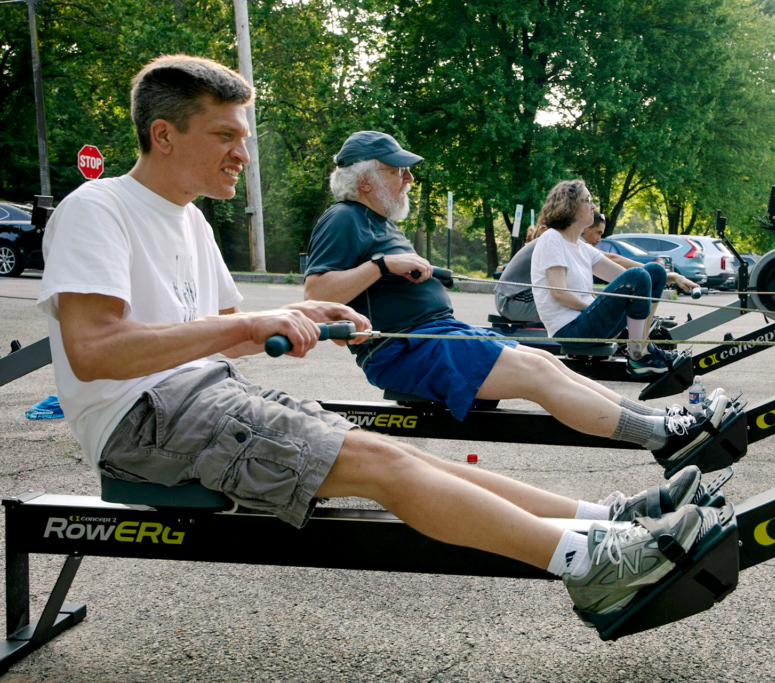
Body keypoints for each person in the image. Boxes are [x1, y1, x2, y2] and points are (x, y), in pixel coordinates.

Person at [36, 55, 726, 625]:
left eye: (242, 136)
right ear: (163, 134)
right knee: (383, 468)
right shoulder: (98, 209)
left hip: (202, 398)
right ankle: (593, 566)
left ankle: (604, 519)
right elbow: (96, 350)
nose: (243, 153)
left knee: (394, 454)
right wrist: (255, 324)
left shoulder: (190, 222)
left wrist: (309, 318)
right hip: (146, 423)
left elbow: (224, 338)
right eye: (225, 136)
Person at [304, 132, 723, 471]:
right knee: (534, 375)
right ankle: (665, 438)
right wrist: (382, 264)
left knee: (548, 364)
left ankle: (662, 422)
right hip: (405, 347)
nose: (409, 179)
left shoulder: (375, 220)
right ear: (364, 181)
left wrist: (399, 266)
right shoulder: (344, 217)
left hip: (436, 336)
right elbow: (316, 295)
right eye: (398, 171)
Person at [494, 211, 697, 329]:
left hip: (521, 296)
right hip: (512, 299)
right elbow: (612, 258)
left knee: (588, 298)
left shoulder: (572, 242)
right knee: (576, 302)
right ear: (584, 228)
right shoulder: (560, 239)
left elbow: (616, 272)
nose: (599, 239)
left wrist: (661, 276)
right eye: (597, 232)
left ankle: (636, 337)